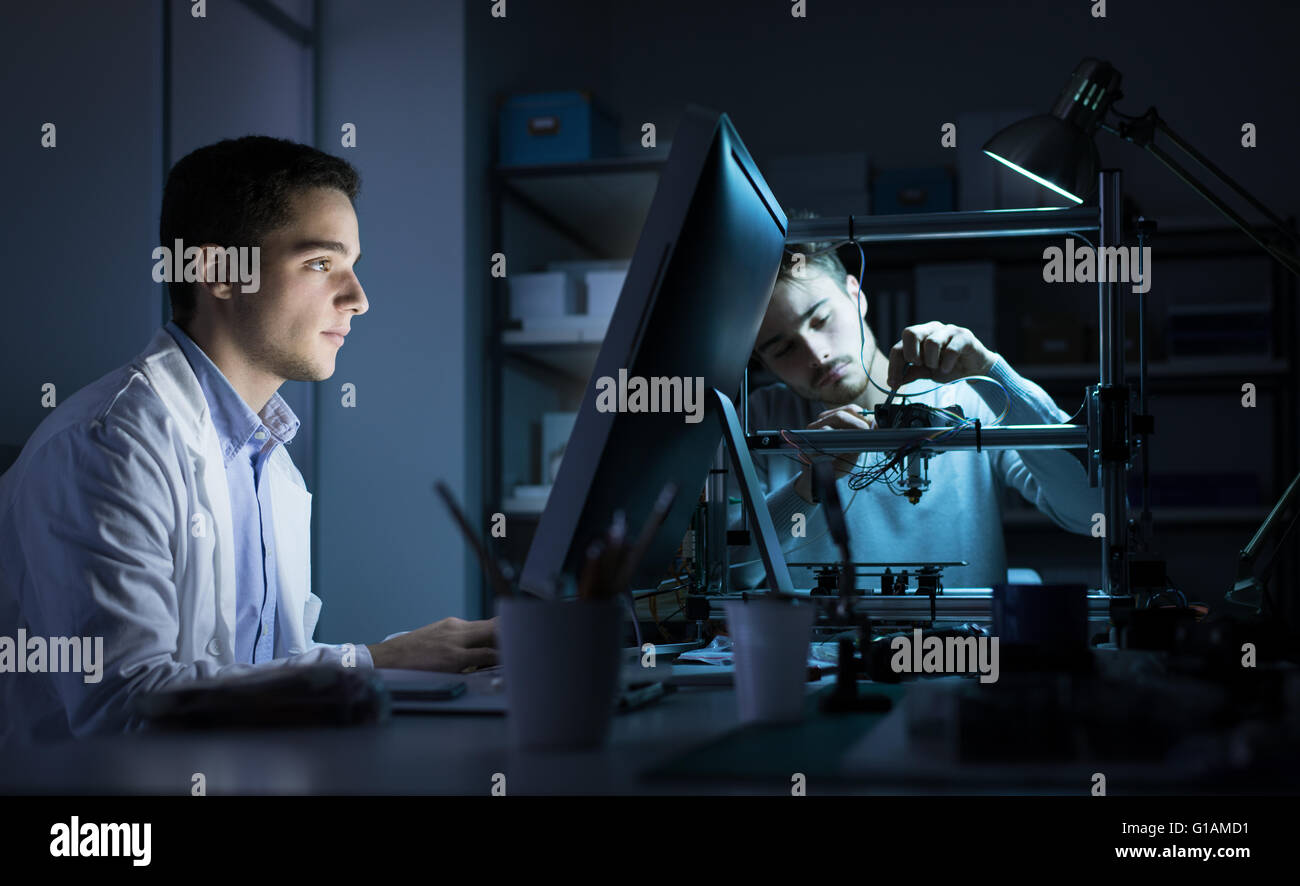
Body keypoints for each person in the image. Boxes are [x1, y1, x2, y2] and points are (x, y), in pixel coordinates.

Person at [0, 136, 496, 746]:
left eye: (354, 266)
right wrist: (372, 663)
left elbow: (256, 676)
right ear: (217, 273)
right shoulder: (107, 445)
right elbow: (126, 709)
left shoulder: (270, 460)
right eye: (320, 263)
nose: (358, 299)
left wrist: (385, 665)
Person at [727, 239, 1103, 591]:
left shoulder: (966, 402)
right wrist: (807, 488)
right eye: (783, 348)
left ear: (855, 294)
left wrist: (992, 373)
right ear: (760, 359)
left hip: (963, 656)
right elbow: (732, 573)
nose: (816, 353)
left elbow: (1090, 514)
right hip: (829, 659)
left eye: (821, 319)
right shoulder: (763, 419)